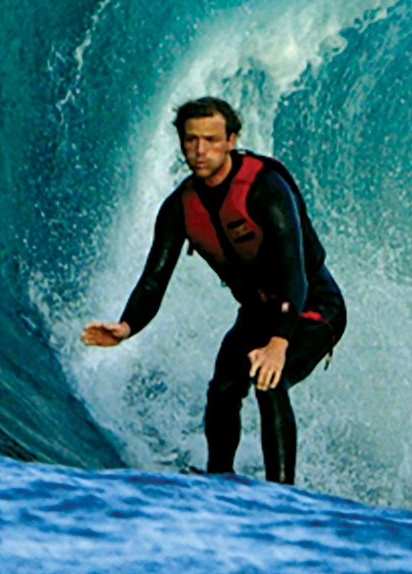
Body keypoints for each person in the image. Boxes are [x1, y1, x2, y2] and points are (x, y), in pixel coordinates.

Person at [81, 97, 348, 484]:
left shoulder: (265, 188)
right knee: (223, 387)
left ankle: (283, 495)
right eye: (191, 140)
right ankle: (218, 480)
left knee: (269, 381)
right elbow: (154, 279)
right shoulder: (180, 208)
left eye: (210, 139)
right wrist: (125, 327)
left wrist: (278, 342)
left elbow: (295, 273)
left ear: (231, 140)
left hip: (313, 305)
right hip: (259, 312)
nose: (200, 150)